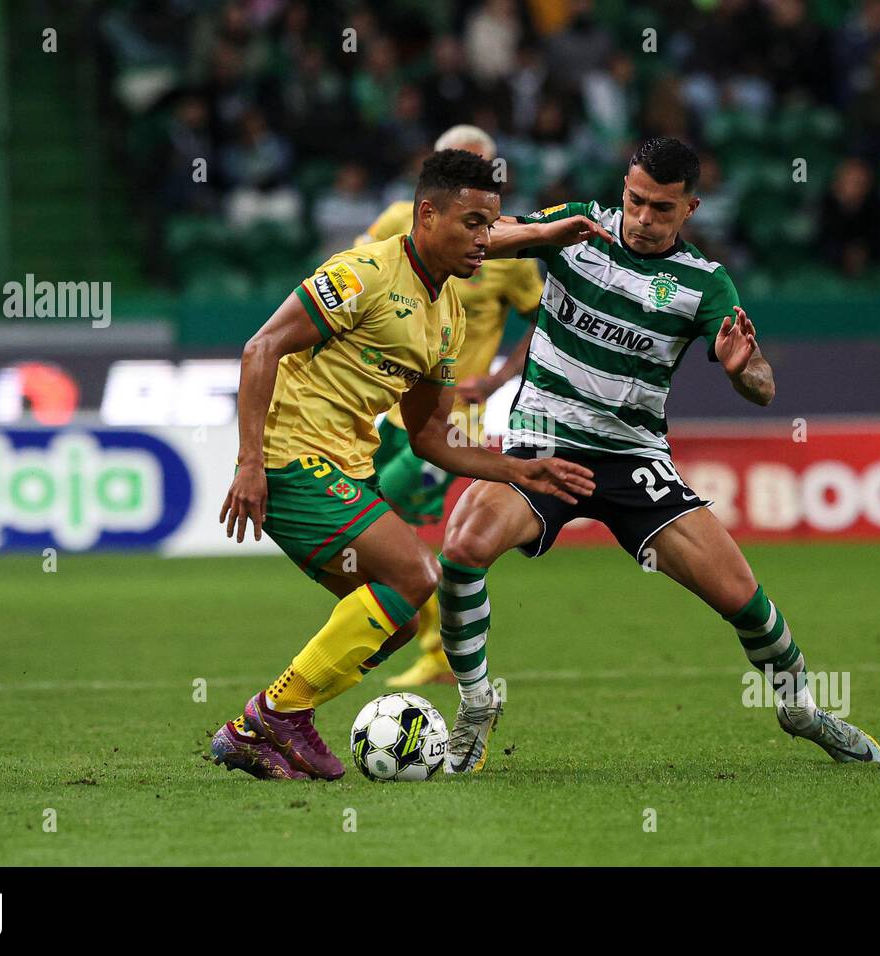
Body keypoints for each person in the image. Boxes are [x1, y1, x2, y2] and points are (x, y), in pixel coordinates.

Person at [434, 137, 880, 773]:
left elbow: (763, 386)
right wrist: (550, 233)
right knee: (462, 545)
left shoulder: (704, 282)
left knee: (743, 597)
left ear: (690, 208)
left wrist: (741, 369)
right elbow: (476, 244)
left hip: (632, 459)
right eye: (636, 201)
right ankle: (477, 704)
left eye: (662, 210)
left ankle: (801, 708)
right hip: (546, 440)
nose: (644, 220)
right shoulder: (576, 228)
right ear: (624, 186)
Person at [210, 149, 600, 781]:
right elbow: (262, 348)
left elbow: (428, 438)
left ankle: (270, 725)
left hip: (348, 467)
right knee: (416, 577)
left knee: (391, 618)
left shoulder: (448, 315)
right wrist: (249, 462)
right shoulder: (362, 272)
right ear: (427, 214)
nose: (485, 240)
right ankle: (272, 716)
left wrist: (520, 470)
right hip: (292, 459)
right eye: (473, 223)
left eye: (492, 226)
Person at [357, 125, 546, 688]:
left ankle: (436, 648)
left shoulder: (507, 249)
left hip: (453, 414)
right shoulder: (398, 219)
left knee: (384, 514)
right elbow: (358, 275)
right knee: (382, 530)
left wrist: (493, 382)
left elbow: (544, 321)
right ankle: (423, 638)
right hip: (393, 406)